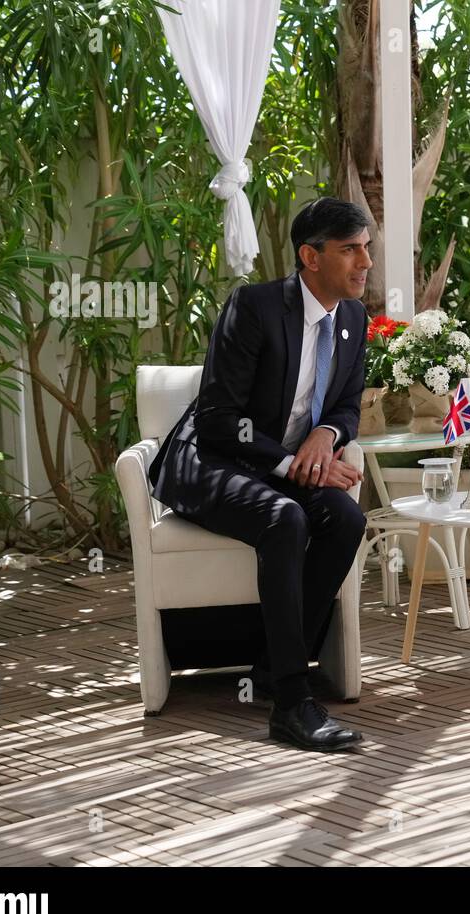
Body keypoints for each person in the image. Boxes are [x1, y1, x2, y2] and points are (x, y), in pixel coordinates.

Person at [149, 197, 371, 752]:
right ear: (310, 257)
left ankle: (274, 667)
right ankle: (292, 705)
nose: (365, 262)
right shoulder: (253, 308)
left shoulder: (353, 318)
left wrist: (328, 438)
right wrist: (292, 465)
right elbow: (219, 420)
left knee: (345, 519)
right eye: (350, 250)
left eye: (366, 248)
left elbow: (346, 405)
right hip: (211, 461)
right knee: (285, 519)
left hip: (283, 463)